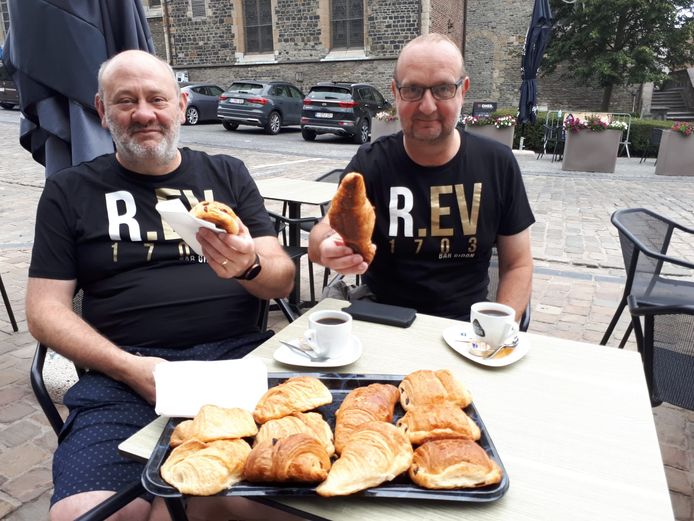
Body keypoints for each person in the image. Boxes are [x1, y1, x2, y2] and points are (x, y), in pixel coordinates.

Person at [25, 50, 295, 521]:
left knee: (256, 499)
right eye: (125, 101)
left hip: (236, 367)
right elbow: (44, 310)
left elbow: (282, 278)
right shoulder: (70, 190)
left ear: (181, 103)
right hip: (122, 379)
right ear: (102, 112)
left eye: (157, 99)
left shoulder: (226, 172)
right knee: (89, 515)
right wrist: (130, 368)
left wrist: (250, 265)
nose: (144, 113)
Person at [309, 34, 534, 321]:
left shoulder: (497, 163)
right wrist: (325, 248)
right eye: (413, 90)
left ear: (463, 90)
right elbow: (325, 232)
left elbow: (518, 264)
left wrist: (500, 330)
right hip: (383, 319)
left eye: (442, 89)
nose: (427, 106)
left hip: (465, 327)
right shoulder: (371, 163)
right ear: (395, 92)